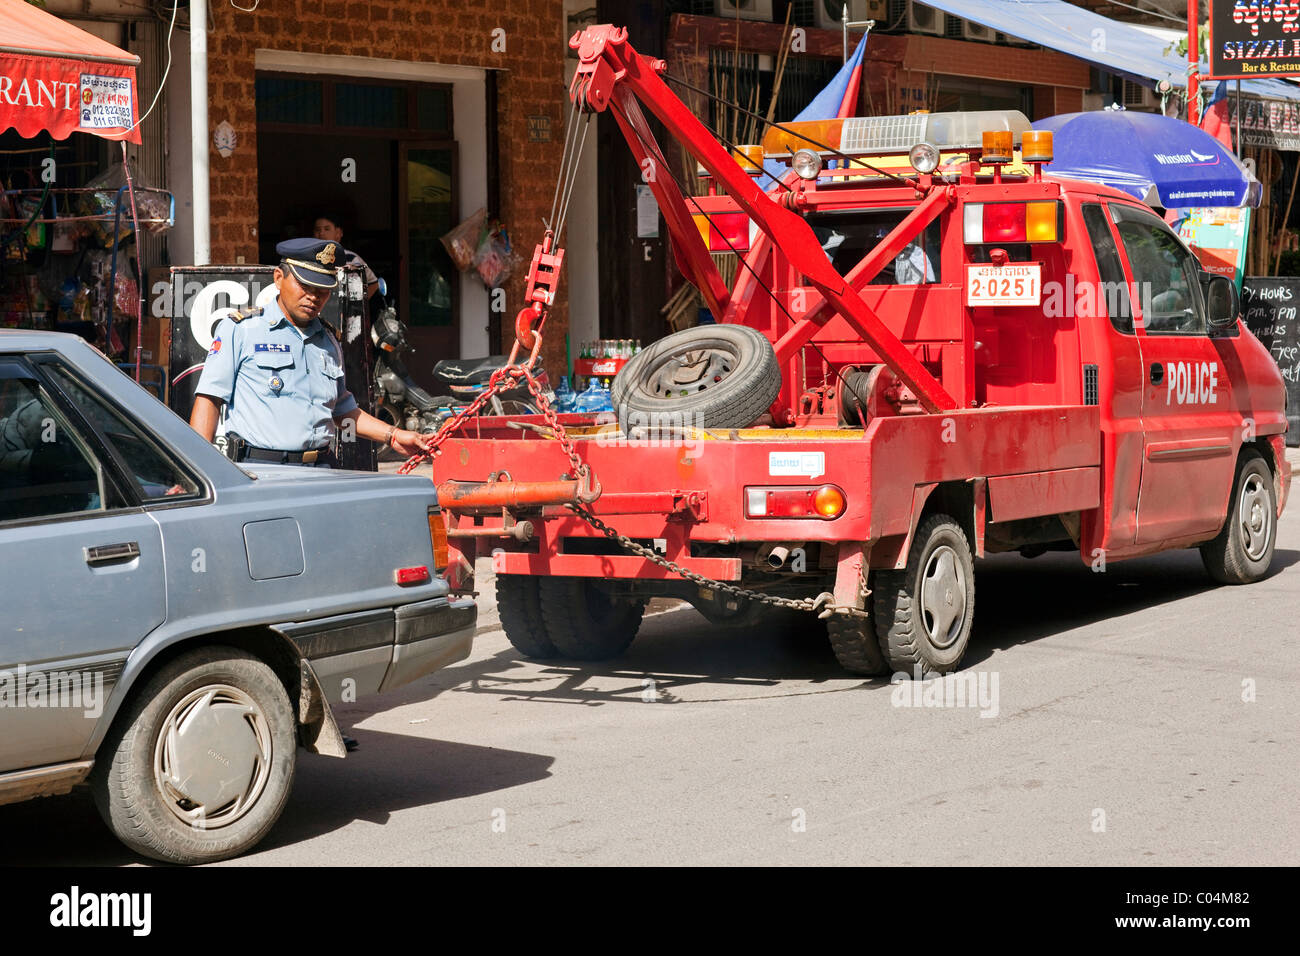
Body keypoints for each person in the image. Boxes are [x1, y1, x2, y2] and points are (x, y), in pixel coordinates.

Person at [189, 238, 430, 467]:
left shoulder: (328, 340)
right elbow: (210, 399)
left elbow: (344, 411)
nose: (313, 297)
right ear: (278, 278)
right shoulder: (241, 329)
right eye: (305, 286)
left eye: (323, 290)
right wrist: (198, 470)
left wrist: (393, 435)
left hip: (322, 468)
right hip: (261, 469)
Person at [313, 214, 380, 300]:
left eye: (327, 229)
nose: (321, 233)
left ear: (338, 233)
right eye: (317, 230)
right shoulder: (311, 258)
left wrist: (358, 304)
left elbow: (373, 283)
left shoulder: (351, 258)